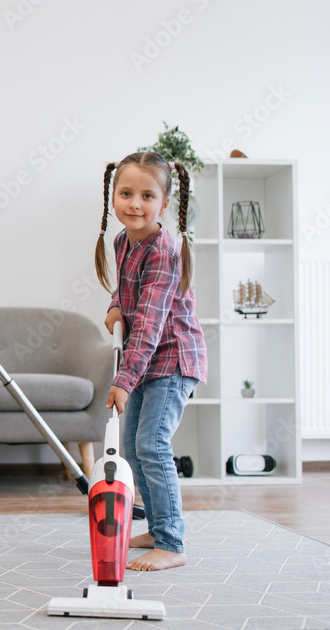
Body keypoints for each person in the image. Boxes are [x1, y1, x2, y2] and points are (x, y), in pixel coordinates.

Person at [94, 152, 207, 571]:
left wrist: (123, 380)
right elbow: (128, 292)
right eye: (126, 193)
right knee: (132, 447)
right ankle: (158, 528)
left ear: (164, 203)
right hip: (147, 359)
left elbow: (151, 325)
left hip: (173, 359)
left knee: (152, 445)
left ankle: (172, 543)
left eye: (147, 195)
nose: (135, 204)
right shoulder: (124, 241)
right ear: (113, 197)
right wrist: (114, 306)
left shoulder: (165, 250)